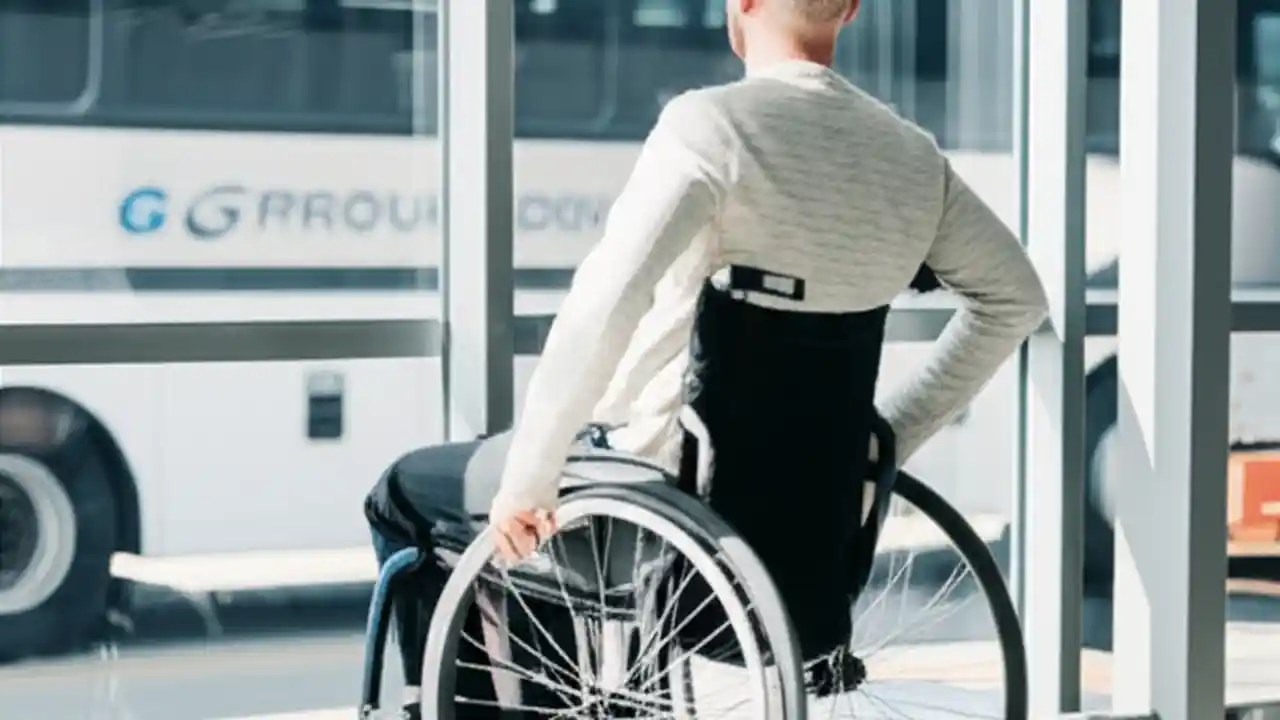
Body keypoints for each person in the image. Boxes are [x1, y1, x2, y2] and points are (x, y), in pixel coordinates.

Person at [364, 0, 1049, 716]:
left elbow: (604, 307)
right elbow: (1016, 300)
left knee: (406, 494)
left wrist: (529, 477)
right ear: (848, 8)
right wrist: (880, 444)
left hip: (654, 504)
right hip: (808, 521)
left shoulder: (714, 128)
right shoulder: (911, 158)